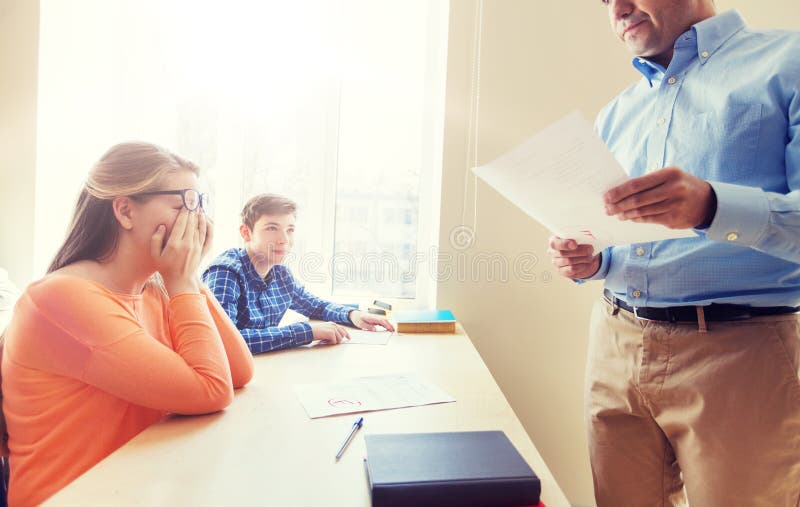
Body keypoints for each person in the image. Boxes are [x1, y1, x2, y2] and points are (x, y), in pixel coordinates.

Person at [547, 2, 800, 505]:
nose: (617, 8)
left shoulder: (789, 61)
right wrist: (596, 261)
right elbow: (622, 239)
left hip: (738, 358)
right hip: (614, 348)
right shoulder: (616, 113)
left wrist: (711, 206)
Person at [1, 142, 254, 506]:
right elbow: (212, 389)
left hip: (137, 488)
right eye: (185, 203)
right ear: (125, 211)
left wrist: (188, 275)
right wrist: (181, 280)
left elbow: (238, 371)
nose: (199, 221)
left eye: (202, 204)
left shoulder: (156, 287)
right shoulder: (61, 299)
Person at [203, 193, 394, 354]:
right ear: (246, 233)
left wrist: (353, 315)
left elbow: (316, 307)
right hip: (230, 379)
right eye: (272, 228)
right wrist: (305, 332)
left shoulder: (281, 274)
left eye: (290, 230)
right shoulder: (225, 273)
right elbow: (224, 341)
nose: (284, 239)